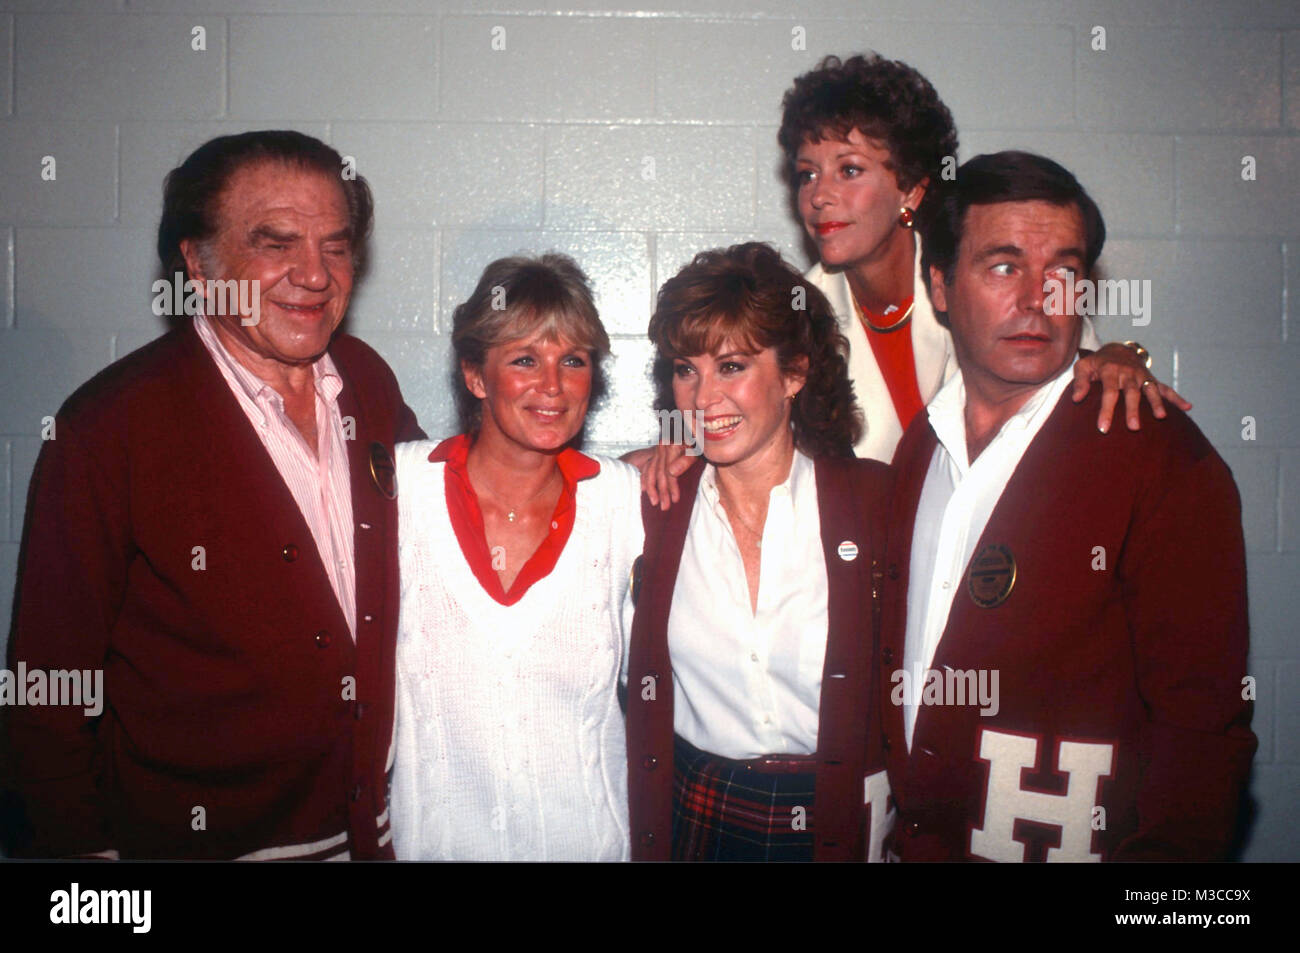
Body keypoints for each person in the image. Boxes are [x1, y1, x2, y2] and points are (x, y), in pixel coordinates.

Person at [1, 131, 423, 860]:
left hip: (373, 832)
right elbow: (47, 689)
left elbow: (456, 507)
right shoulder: (107, 426)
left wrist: (627, 476)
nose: (315, 274)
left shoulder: (367, 380)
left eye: (336, 245)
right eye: (276, 243)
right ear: (196, 263)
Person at [881, 151, 1255, 861]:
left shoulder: (1162, 456)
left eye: (1064, 272)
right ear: (938, 284)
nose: (1038, 299)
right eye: (1003, 266)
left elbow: (1204, 732)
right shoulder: (918, 450)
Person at [633, 53, 1179, 498]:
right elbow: (726, 401)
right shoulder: (801, 308)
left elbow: (1081, 363)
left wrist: (1122, 357)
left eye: (849, 169)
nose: (819, 196)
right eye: (807, 175)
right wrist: (676, 440)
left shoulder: (981, 279)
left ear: (913, 189)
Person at [625, 242, 892, 862]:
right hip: (701, 817)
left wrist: (1115, 360)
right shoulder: (648, 507)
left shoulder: (876, 503)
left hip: (843, 823)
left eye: (733, 366)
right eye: (686, 369)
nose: (703, 397)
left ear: (795, 373)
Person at [390, 254, 642, 861]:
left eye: (573, 361)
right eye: (525, 359)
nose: (552, 386)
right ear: (476, 375)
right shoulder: (399, 490)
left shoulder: (626, 502)